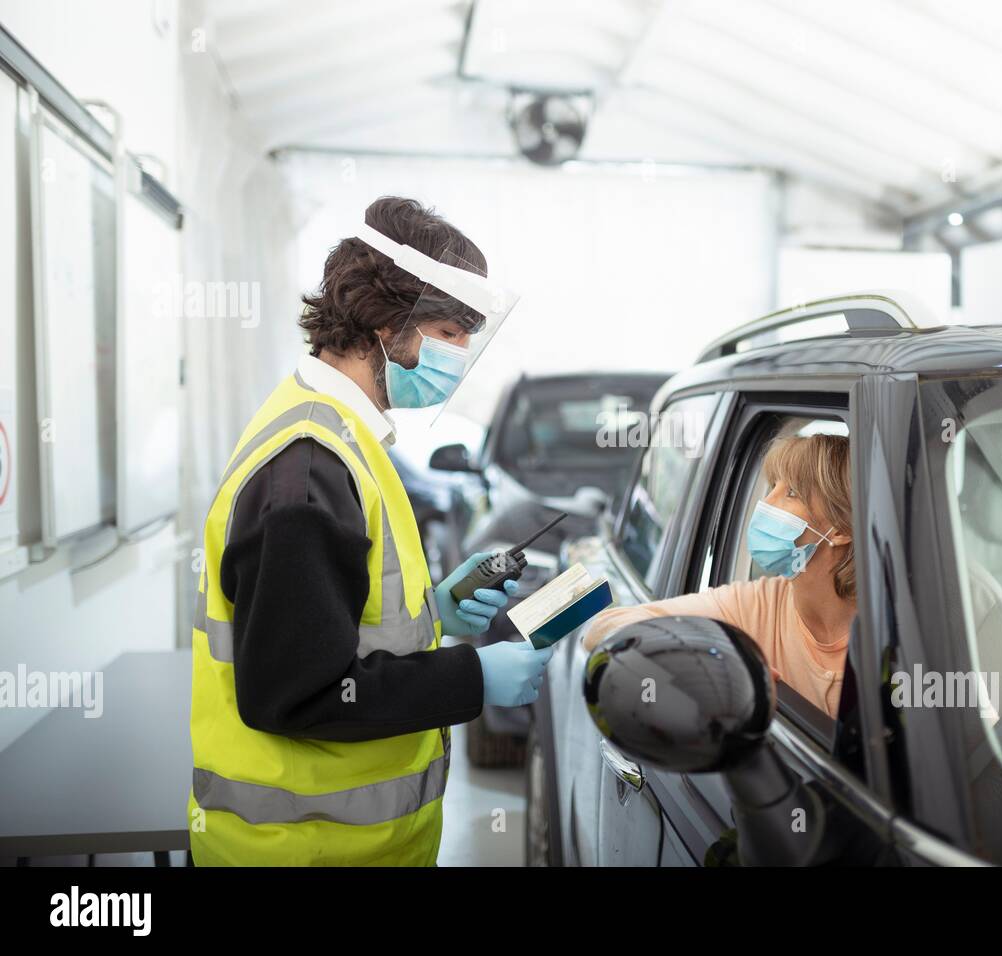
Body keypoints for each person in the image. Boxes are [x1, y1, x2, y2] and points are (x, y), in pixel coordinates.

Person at [188, 196, 551, 866]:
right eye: (449, 332)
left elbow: (326, 627)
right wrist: (472, 678)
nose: (463, 355)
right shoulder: (308, 467)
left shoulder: (334, 429)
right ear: (387, 325)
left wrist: (435, 612)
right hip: (304, 848)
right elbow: (296, 694)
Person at [583, 433, 855, 715]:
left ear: (841, 529)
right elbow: (601, 631)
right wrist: (707, 665)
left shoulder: (893, 637)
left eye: (791, 493)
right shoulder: (758, 603)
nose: (766, 502)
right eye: (772, 485)